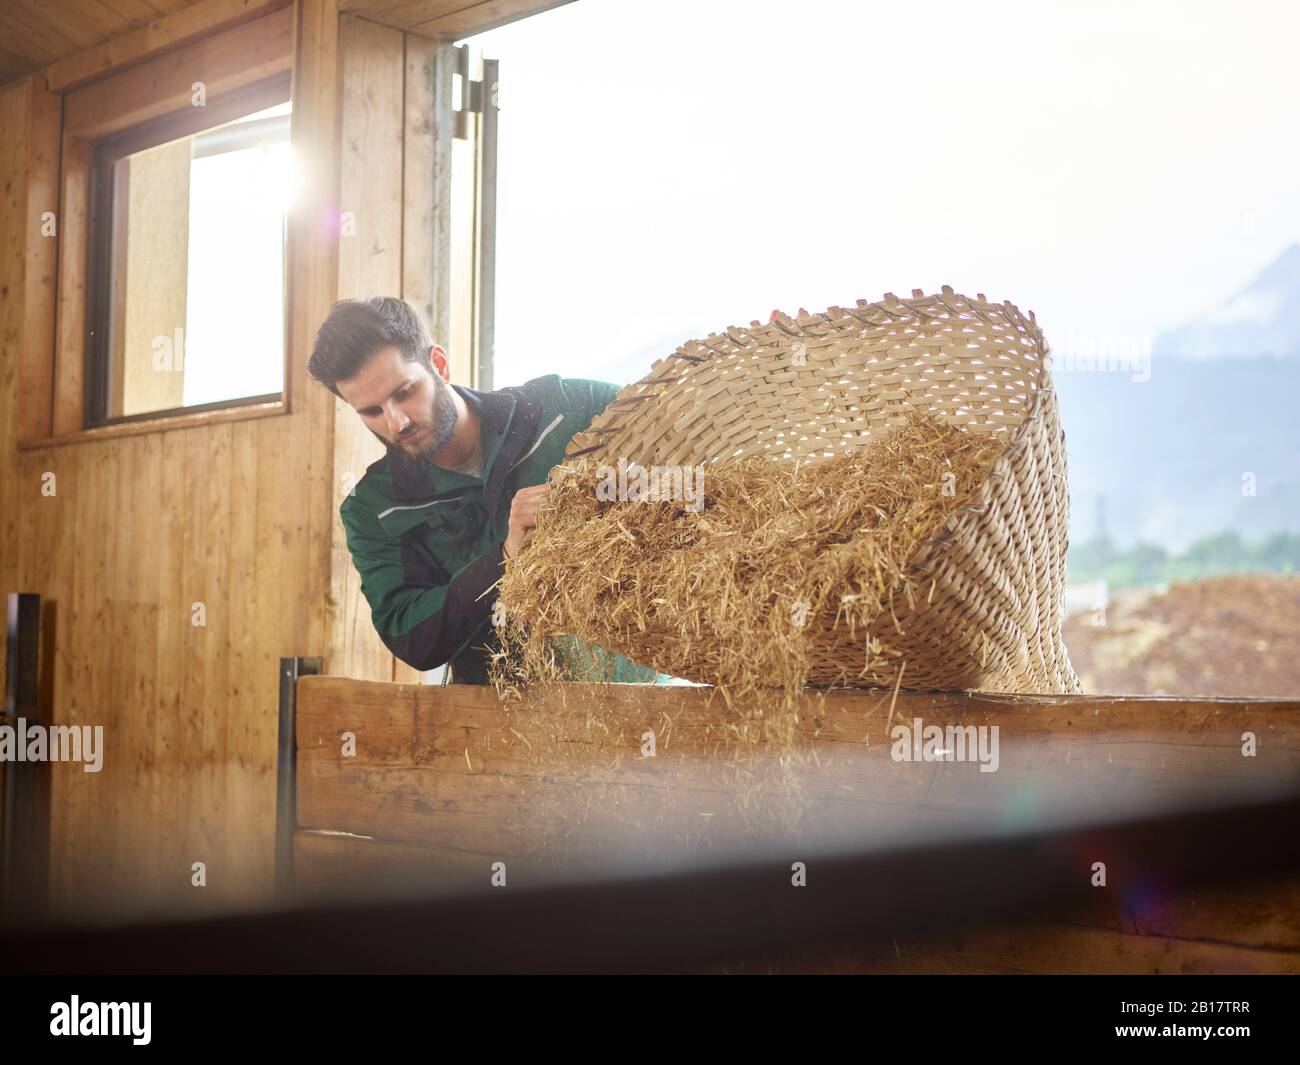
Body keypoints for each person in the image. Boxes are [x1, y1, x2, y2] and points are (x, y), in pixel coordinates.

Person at [306, 296, 662, 685]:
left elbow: (677, 419)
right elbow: (414, 640)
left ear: (438, 364)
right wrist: (505, 556)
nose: (396, 422)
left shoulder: (564, 409)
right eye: (371, 412)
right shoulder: (374, 509)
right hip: (500, 723)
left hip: (643, 701)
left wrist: (626, 490)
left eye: (405, 392)